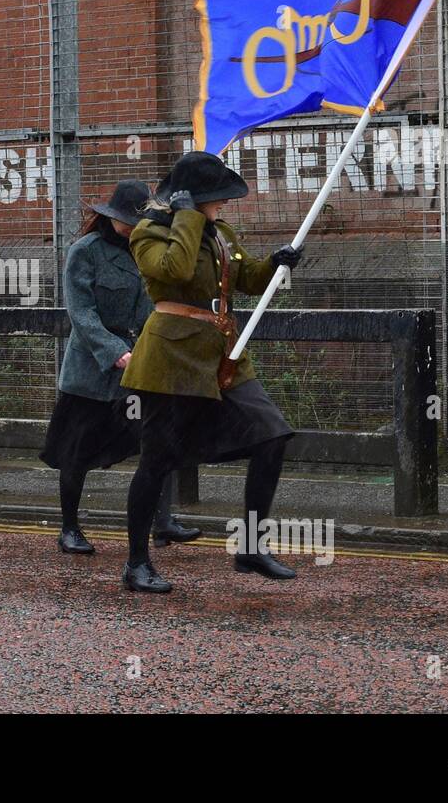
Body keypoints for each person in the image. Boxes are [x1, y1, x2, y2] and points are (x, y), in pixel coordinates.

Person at [118, 152, 303, 593]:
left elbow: (245, 277)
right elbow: (175, 271)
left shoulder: (219, 233)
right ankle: (136, 563)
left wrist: (277, 264)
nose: (224, 204)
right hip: (171, 360)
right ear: (194, 198)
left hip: (224, 355)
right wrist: (185, 218)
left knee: (272, 435)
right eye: (217, 197)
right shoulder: (150, 232)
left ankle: (252, 547)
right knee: (157, 462)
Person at [40, 180, 202, 554]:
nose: (133, 227)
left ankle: (162, 523)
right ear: (110, 217)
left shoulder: (148, 251)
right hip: (92, 369)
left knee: (158, 442)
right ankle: (69, 528)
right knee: (76, 450)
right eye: (128, 220)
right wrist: (115, 352)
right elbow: (81, 313)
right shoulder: (86, 252)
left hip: (143, 362)